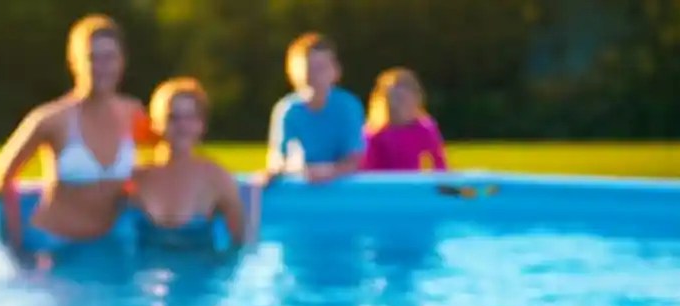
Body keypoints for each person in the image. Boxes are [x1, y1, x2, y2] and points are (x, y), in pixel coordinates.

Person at [0, 14, 155, 266]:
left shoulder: (132, 113)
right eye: (92, 58)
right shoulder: (51, 119)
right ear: (74, 62)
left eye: (109, 58)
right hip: (53, 247)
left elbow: (165, 158)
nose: (102, 67)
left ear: (122, 62)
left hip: (108, 247)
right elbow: (3, 177)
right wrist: (17, 250)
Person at [128, 77, 253, 251]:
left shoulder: (217, 178)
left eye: (190, 117)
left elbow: (241, 244)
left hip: (199, 272)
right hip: (149, 273)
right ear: (156, 123)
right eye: (173, 118)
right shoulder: (138, 178)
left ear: (201, 124)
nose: (182, 126)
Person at [264, 33, 365, 183]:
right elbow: (278, 157)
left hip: (342, 190)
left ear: (335, 71)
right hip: (301, 189)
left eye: (321, 68)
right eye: (307, 68)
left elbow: (355, 160)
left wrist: (329, 172)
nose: (313, 76)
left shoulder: (348, 107)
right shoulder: (287, 110)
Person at [361, 67, 449, 172]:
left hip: (415, 185)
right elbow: (367, 170)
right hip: (385, 186)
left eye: (405, 99)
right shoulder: (375, 134)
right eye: (396, 99)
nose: (401, 105)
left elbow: (439, 165)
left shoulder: (425, 129)